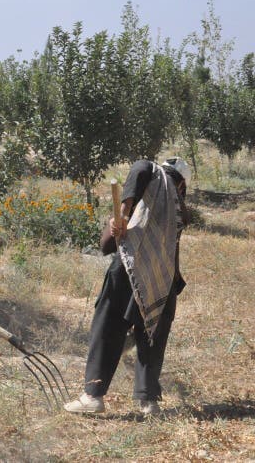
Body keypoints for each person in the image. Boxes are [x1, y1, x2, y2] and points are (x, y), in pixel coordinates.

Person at [64, 157, 191, 415]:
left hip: (129, 266)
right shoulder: (178, 206)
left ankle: (93, 396)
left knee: (108, 326)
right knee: (152, 335)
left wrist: (121, 215)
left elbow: (140, 168)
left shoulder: (149, 169)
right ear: (182, 183)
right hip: (163, 276)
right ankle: (149, 401)